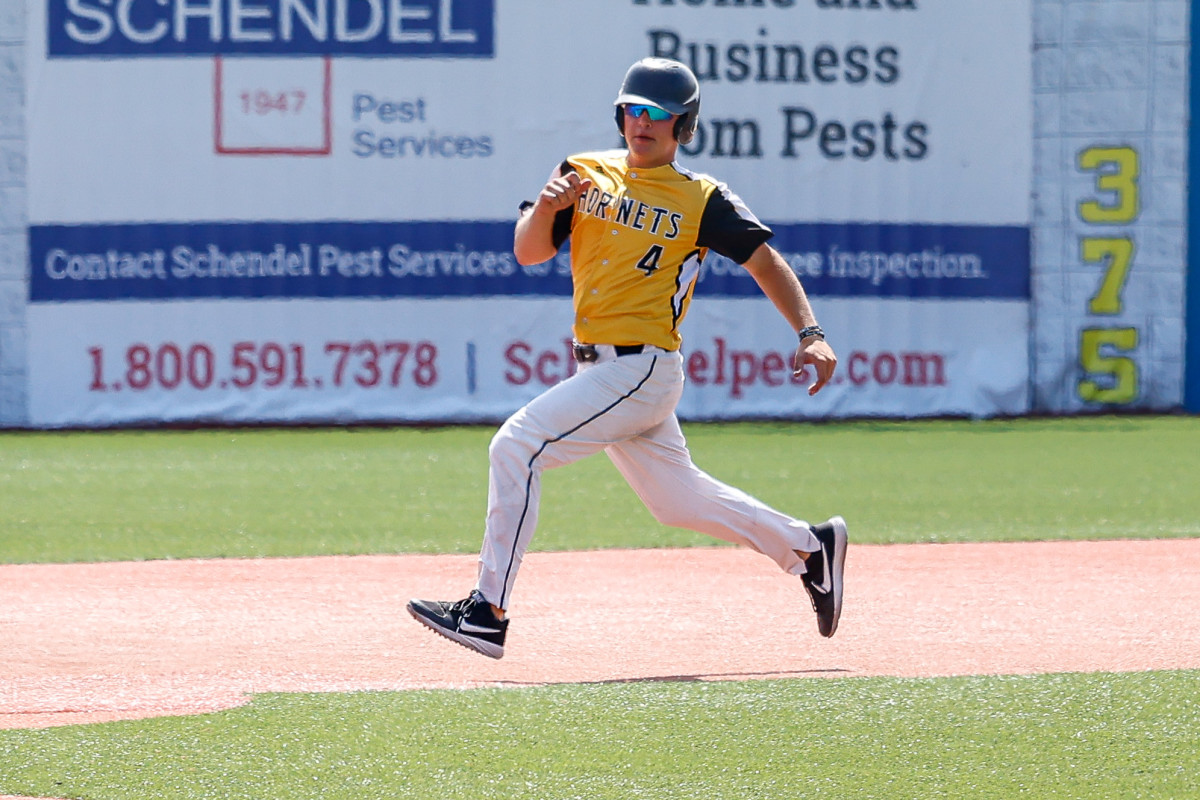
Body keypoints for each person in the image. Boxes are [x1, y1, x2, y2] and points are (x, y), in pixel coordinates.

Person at [408, 57, 847, 659]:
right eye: (633, 110)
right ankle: (809, 547)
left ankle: (487, 610)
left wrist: (810, 331)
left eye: (658, 115)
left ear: (683, 126)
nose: (642, 122)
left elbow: (764, 261)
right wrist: (545, 206)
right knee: (675, 501)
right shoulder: (582, 172)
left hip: (640, 369)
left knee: (516, 446)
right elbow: (529, 253)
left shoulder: (701, 198)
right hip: (604, 369)